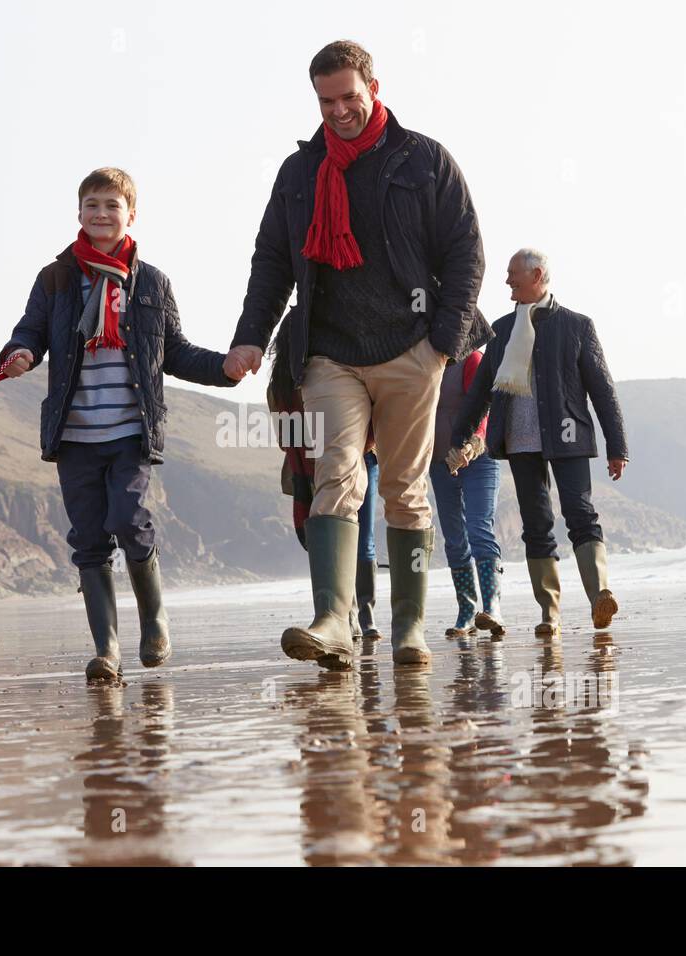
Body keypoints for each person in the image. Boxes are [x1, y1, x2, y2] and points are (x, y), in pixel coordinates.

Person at [223, 39, 490, 670]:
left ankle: (410, 629)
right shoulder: (299, 174)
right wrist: (250, 336)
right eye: (326, 100)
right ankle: (334, 622)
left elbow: (466, 253)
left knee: (404, 488)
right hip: (329, 353)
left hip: (411, 348)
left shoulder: (423, 160)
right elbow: (272, 262)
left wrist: (442, 346)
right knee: (334, 476)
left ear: (373, 86)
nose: (338, 110)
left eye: (348, 96)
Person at [0, 167, 236, 683]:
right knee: (88, 539)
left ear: (132, 214)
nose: (101, 214)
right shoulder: (56, 278)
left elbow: (174, 352)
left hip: (131, 430)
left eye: (112, 205)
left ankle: (154, 620)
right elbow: (31, 331)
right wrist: (18, 352)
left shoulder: (151, 281)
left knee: (129, 519)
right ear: (79, 213)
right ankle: (106, 651)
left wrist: (224, 368)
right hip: (74, 434)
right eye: (91, 205)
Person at [447, 249, 629, 637]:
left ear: (538, 275)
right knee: (537, 524)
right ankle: (550, 613)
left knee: (580, 513)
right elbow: (480, 393)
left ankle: (600, 596)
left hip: (569, 436)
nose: (507, 281)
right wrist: (459, 440)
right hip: (520, 442)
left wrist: (618, 447)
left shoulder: (576, 326)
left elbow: (603, 390)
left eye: (513, 274)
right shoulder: (500, 333)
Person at [266, 323, 382, 640]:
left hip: (342, 461)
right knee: (356, 536)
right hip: (327, 463)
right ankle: (350, 615)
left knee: (348, 536)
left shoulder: (286, 384)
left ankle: (357, 615)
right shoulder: (285, 385)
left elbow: (286, 438)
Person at [429, 348, 505, 639]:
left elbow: (484, 407)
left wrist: (470, 446)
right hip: (439, 461)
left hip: (479, 458)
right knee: (454, 538)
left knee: (479, 528)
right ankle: (466, 611)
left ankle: (492, 608)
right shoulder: (422, 364)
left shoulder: (472, 359)